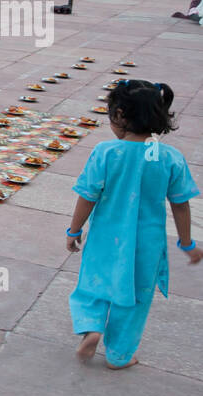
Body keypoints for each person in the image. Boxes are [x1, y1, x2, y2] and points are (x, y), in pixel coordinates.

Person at [66, 80, 201, 369]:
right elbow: (181, 204)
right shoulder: (169, 158)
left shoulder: (105, 153)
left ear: (119, 116)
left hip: (105, 239)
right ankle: (119, 355)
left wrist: (74, 230)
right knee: (136, 299)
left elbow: (87, 197)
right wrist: (187, 243)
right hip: (147, 245)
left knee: (93, 285)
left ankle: (91, 328)